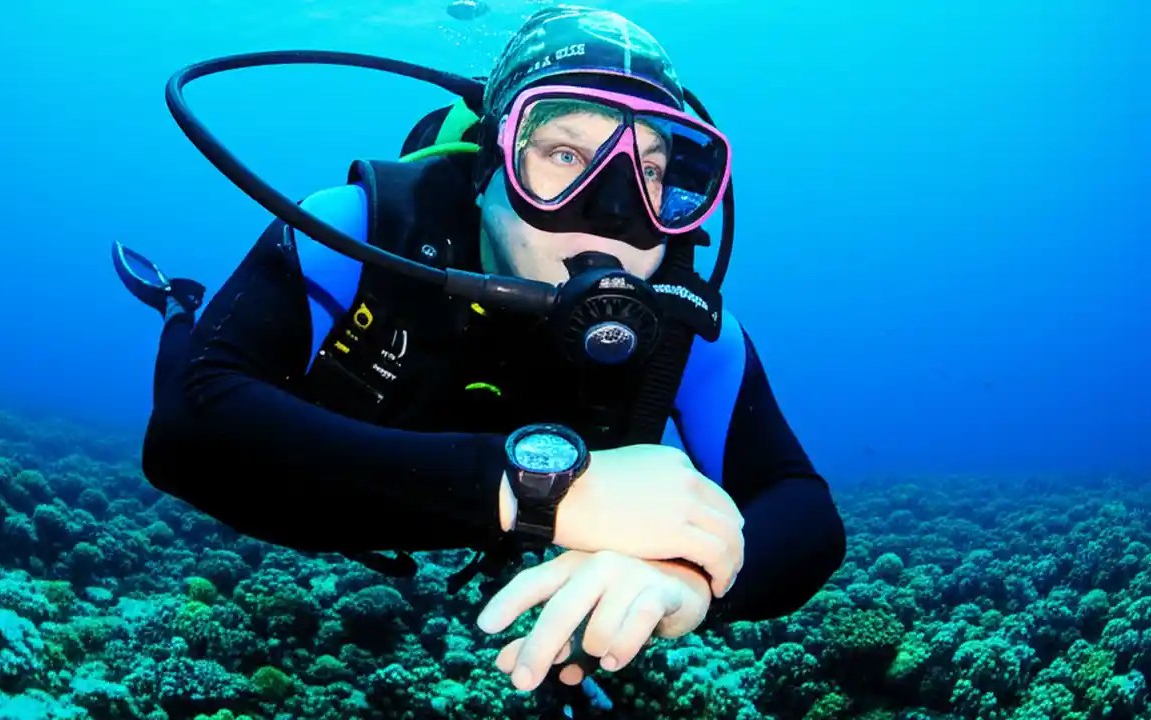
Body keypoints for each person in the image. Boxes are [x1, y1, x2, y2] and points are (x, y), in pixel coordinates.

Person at [118, 6, 847, 717]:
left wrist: (692, 577)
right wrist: (539, 495)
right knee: (189, 347)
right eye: (565, 155)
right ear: (488, 164)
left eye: (650, 171)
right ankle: (178, 304)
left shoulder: (682, 326)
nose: (615, 213)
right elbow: (186, 432)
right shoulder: (359, 228)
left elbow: (802, 507)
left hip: (463, 498)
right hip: (319, 481)